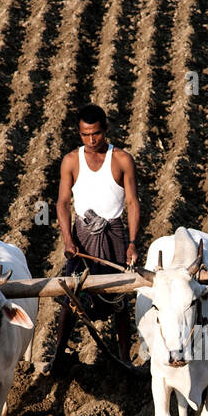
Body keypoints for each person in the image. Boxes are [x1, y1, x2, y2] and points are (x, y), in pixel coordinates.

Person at [47, 103, 141, 375]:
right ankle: (58, 355)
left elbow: (133, 203)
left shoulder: (122, 160)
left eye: (96, 134)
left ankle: (125, 357)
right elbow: (62, 204)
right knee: (71, 297)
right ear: (79, 133)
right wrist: (68, 240)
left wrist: (132, 243)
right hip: (83, 237)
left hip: (114, 235)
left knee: (120, 297)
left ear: (106, 130)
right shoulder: (71, 161)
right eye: (85, 135)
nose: (91, 140)